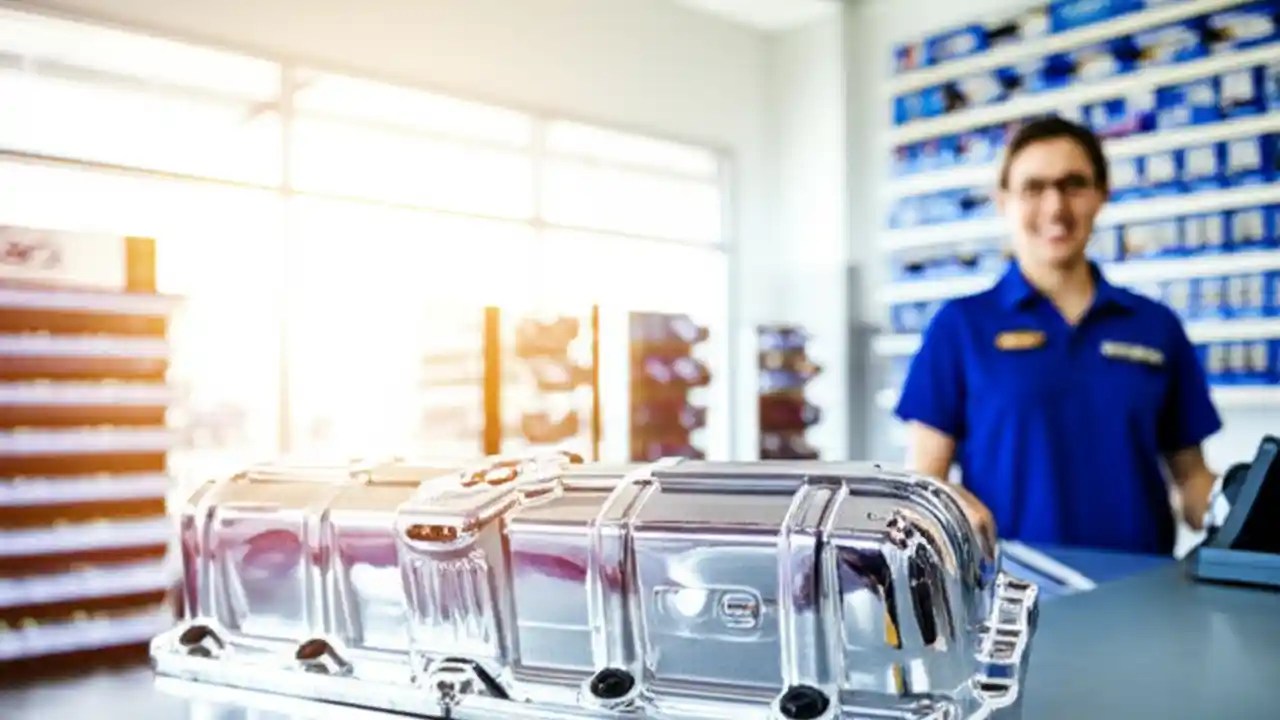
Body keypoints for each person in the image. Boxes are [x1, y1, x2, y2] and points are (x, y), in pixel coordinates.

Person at [895, 116, 1221, 556]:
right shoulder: (960, 327)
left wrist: (1243, 510)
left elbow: (1192, 481)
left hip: (1143, 594)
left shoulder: (1156, 326)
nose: (1055, 208)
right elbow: (926, 480)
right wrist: (950, 511)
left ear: (1102, 195)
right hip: (1008, 598)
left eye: (1074, 184)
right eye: (1033, 188)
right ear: (1003, 201)